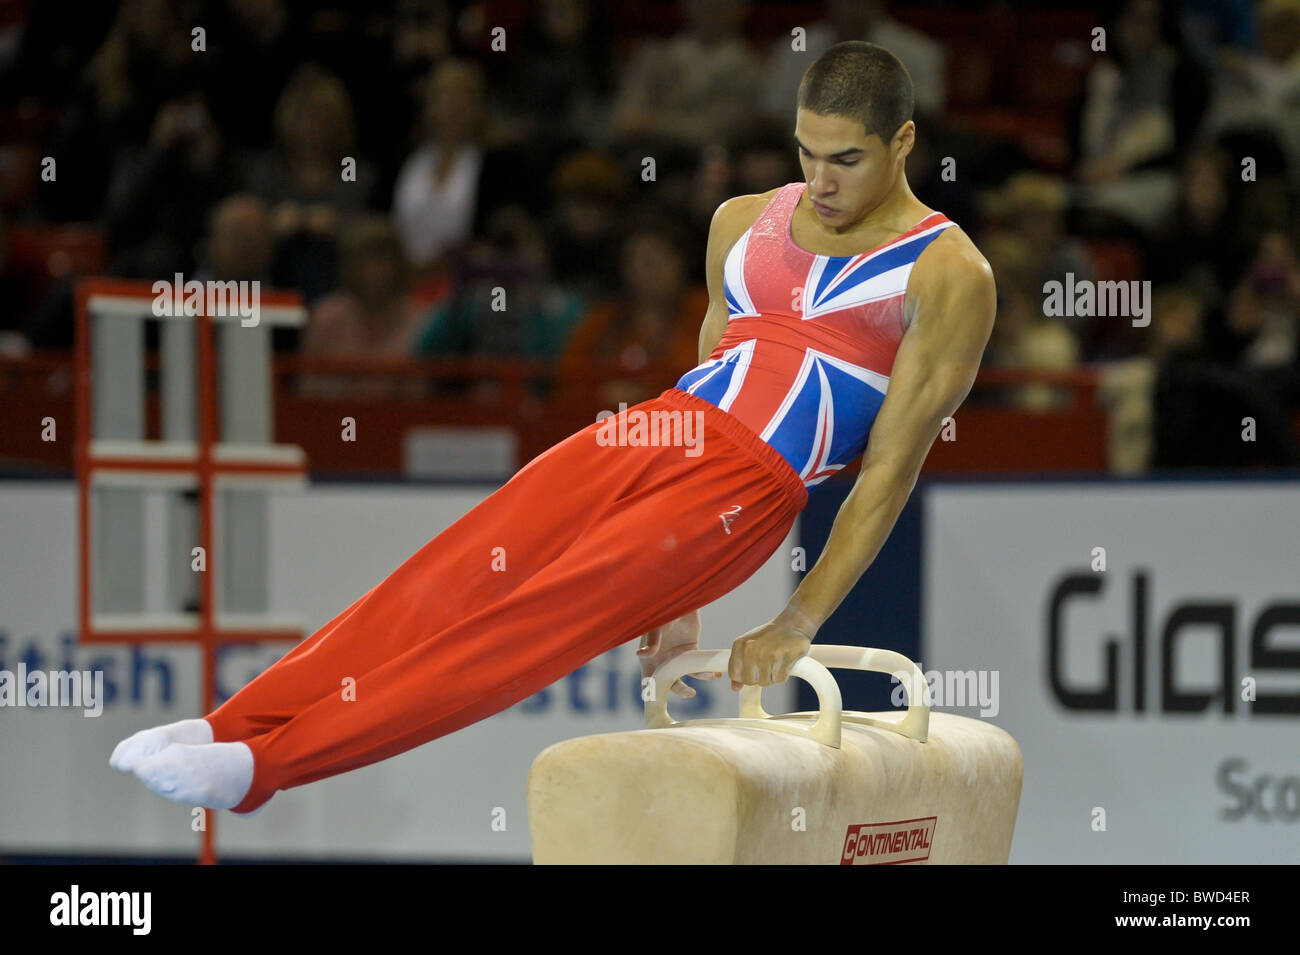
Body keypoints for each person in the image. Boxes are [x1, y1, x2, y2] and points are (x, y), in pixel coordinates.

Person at [109, 41, 996, 816]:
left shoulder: (947, 270)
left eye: (845, 159)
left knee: (522, 629)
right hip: (658, 428)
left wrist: (796, 621)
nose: (821, 181)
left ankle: (267, 765)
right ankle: (234, 721)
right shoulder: (743, 219)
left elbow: (890, 468)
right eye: (806, 152)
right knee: (446, 574)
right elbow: (708, 357)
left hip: (747, 486)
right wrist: (676, 601)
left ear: (904, 142)